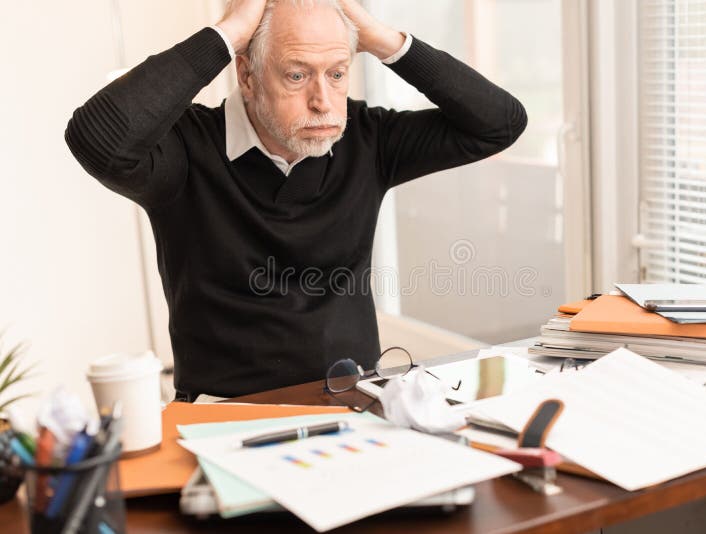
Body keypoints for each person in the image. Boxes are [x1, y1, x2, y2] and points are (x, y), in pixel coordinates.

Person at [66, 0, 527, 401]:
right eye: (296, 74)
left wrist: (387, 41)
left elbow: (500, 123)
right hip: (225, 411)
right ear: (246, 75)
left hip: (355, 400)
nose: (323, 101)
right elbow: (95, 138)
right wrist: (227, 34)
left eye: (337, 73)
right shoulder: (185, 149)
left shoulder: (367, 139)